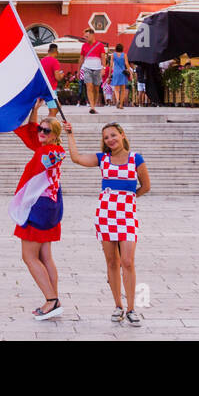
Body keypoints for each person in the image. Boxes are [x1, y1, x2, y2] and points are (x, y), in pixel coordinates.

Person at [64, 119, 150, 325]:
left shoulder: (135, 159)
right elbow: (76, 158)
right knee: (112, 262)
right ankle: (117, 306)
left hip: (127, 216)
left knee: (128, 262)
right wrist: (70, 134)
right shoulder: (103, 159)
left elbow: (146, 186)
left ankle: (131, 308)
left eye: (113, 135)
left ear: (122, 135)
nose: (110, 139)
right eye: (106, 137)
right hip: (106, 215)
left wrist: (127, 199)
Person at [11, 99, 67, 320]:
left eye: (46, 130)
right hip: (50, 206)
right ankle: (54, 299)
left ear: (54, 134)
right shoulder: (53, 149)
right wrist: (34, 110)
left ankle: (51, 301)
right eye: (41, 129)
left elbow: (36, 145)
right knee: (45, 256)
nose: (41, 132)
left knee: (29, 257)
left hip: (38, 207)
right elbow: (34, 136)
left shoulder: (47, 153)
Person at [79, 29, 106, 114]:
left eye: (86, 36)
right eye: (84, 36)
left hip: (97, 68)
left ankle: (93, 105)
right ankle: (92, 106)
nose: (85, 38)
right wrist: (78, 70)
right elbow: (81, 58)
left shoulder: (100, 45)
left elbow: (103, 57)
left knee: (96, 88)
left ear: (92, 35)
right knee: (89, 86)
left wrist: (103, 68)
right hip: (87, 68)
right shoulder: (84, 46)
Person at [109, 43, 133, 110]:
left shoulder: (113, 55)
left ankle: (117, 101)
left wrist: (109, 74)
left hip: (116, 72)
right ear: (122, 49)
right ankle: (121, 104)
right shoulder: (124, 55)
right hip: (122, 73)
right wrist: (130, 73)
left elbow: (111, 65)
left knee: (116, 89)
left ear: (116, 48)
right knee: (123, 89)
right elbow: (127, 64)